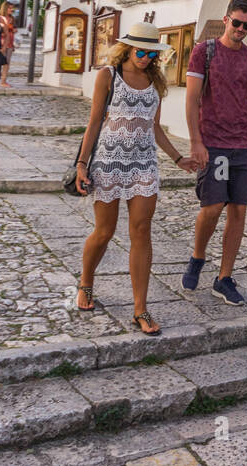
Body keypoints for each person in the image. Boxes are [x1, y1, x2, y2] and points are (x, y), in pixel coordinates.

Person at [74, 23, 197, 334]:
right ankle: (86, 282)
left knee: (142, 231)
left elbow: (155, 126)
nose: (144, 57)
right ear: (127, 49)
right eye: (139, 51)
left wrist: (178, 158)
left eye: (150, 53)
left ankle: (140, 308)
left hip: (143, 164)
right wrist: (81, 164)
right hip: (109, 162)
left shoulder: (154, 81)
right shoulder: (108, 76)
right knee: (104, 231)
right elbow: (94, 123)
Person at [181, 0, 247, 307]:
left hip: (244, 144)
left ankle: (224, 278)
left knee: (239, 209)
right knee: (212, 206)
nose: (241, 29)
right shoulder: (205, 52)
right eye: (237, 22)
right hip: (214, 143)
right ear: (226, 19)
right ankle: (198, 256)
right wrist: (195, 141)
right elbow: (191, 100)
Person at [0, 2, 18, 88]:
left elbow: (15, 28)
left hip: (10, 43)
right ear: (5, 8)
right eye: (10, 8)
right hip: (0, 43)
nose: (12, 10)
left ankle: (3, 81)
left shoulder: (12, 19)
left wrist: (13, 30)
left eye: (12, 8)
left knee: (7, 63)